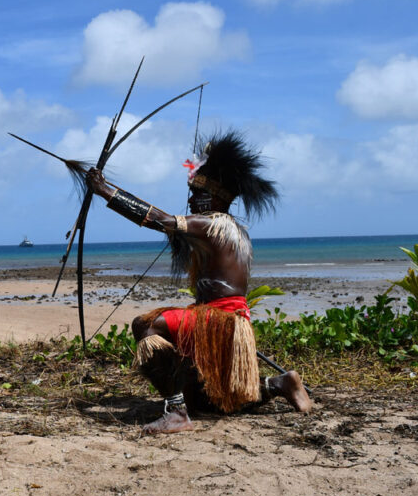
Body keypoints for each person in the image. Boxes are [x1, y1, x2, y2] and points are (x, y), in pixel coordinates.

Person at [86, 131, 311, 434]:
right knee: (207, 400)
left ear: (216, 197)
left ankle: (176, 414)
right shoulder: (233, 230)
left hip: (219, 320)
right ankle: (280, 384)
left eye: (198, 194)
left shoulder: (212, 223)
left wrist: (105, 191)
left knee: (146, 326)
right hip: (231, 322)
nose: (191, 200)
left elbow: (160, 220)